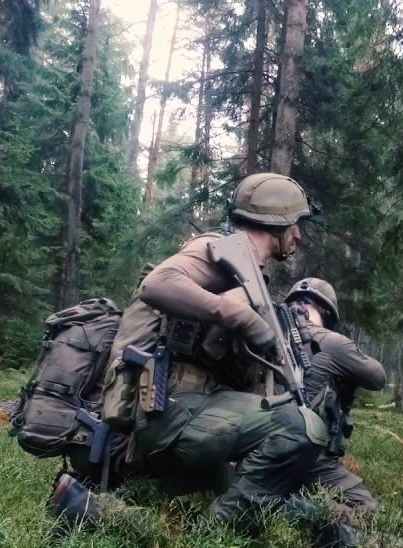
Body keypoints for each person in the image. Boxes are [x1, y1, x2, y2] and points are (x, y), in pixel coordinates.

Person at [49, 172, 328, 527]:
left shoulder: (248, 273)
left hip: (183, 418)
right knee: (304, 429)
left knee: (252, 500)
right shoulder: (220, 248)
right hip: (171, 415)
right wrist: (243, 319)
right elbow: (157, 284)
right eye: (296, 225)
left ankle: (88, 509)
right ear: (278, 222)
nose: (299, 235)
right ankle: (214, 537)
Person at [284, 277, 386, 525]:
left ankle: (277, 498)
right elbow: (378, 378)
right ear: (326, 312)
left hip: (262, 451)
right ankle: (290, 507)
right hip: (312, 459)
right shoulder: (332, 342)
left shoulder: (266, 337)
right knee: (368, 511)